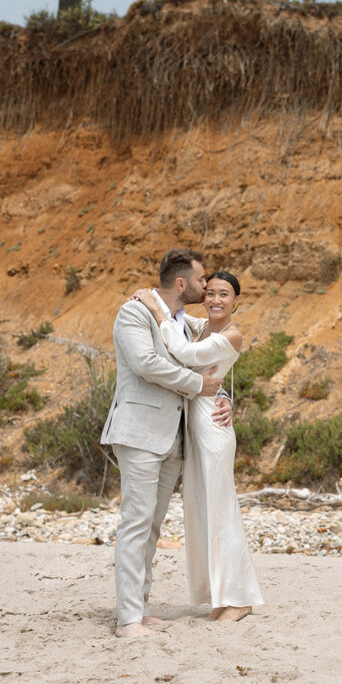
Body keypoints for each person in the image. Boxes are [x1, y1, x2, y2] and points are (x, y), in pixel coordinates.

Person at [100, 248, 231, 639]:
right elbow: (146, 363)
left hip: (174, 437)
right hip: (140, 432)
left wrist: (224, 397)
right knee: (135, 523)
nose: (206, 286)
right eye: (201, 279)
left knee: (152, 526)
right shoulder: (133, 313)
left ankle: (139, 608)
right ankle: (127, 620)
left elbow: (213, 359)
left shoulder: (184, 323)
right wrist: (197, 384)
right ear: (181, 282)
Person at [134, 269, 263, 621]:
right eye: (210, 293)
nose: (216, 300)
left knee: (221, 511)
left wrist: (154, 308)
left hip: (213, 429)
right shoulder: (202, 326)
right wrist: (152, 296)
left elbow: (185, 354)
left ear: (237, 301)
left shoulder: (231, 335)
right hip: (195, 429)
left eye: (224, 294)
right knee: (202, 513)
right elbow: (178, 317)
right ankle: (222, 596)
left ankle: (240, 599)